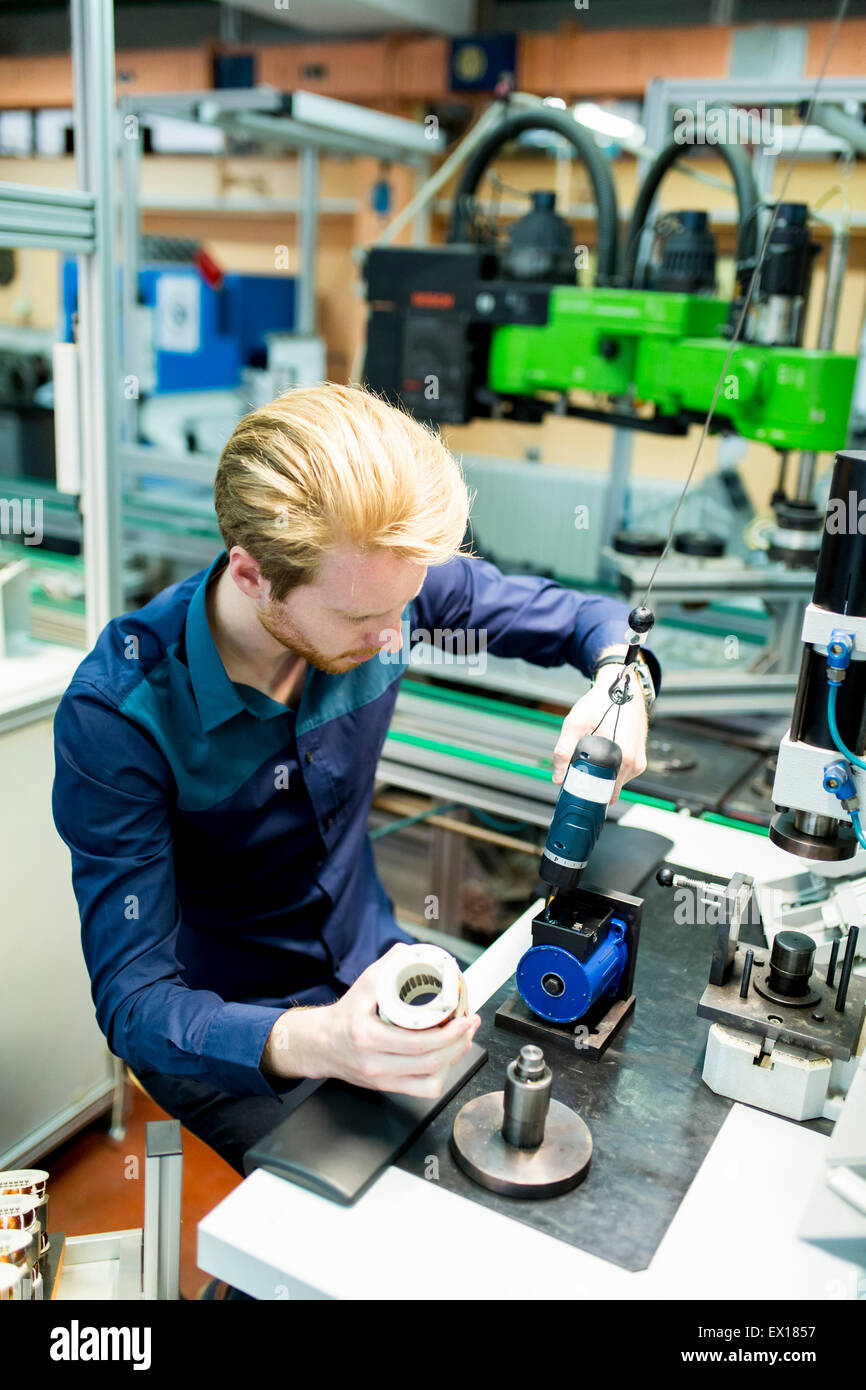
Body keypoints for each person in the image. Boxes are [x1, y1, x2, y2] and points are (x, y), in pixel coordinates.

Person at [53, 383, 659, 1179]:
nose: (389, 636)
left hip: (371, 958)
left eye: (405, 606)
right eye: (359, 619)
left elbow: (587, 619)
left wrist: (625, 687)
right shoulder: (119, 716)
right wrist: (324, 1041)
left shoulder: (379, 583)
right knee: (343, 1223)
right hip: (226, 1028)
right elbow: (134, 1006)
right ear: (251, 573)